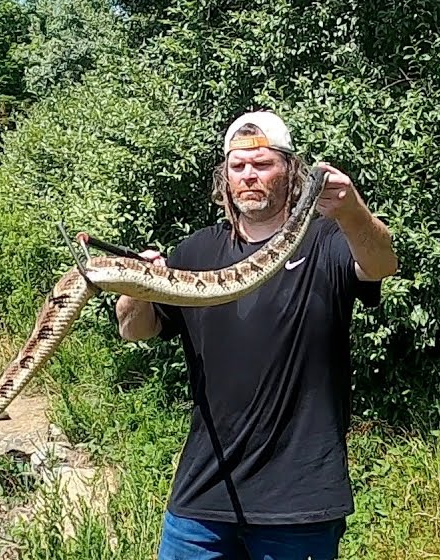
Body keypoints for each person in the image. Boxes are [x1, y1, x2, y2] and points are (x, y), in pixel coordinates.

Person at [115, 110, 398, 560]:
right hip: (203, 499)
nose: (249, 174)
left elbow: (381, 264)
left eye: (263, 164)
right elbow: (136, 331)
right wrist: (136, 289)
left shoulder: (326, 241)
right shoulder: (196, 251)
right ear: (225, 176)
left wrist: (351, 209)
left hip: (299, 502)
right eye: (238, 166)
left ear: (290, 169)